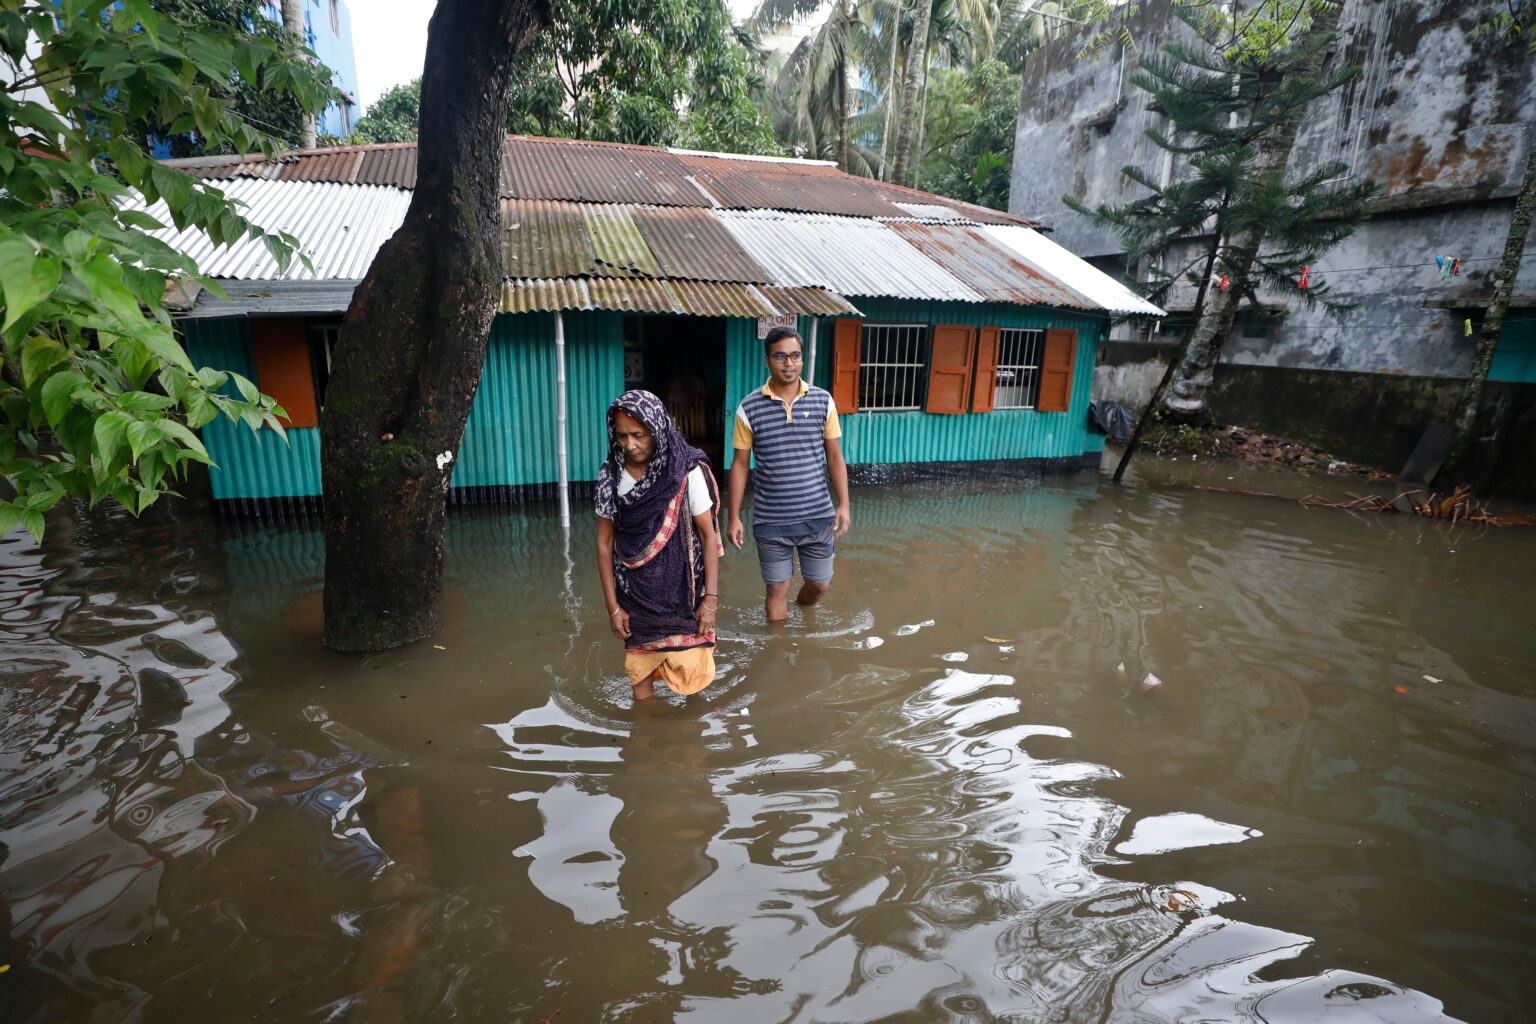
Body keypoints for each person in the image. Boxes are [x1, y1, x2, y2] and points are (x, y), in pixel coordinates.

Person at [595, 390, 722, 702]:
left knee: (693, 674)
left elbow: (707, 535)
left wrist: (711, 600)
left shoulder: (685, 470)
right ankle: (645, 741)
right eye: (622, 436)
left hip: (683, 593)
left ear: (658, 429)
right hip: (635, 594)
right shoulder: (610, 474)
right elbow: (603, 543)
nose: (630, 444)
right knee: (640, 677)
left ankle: (690, 743)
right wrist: (613, 608)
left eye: (639, 435)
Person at [726, 327, 851, 622]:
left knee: (819, 585)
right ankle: (778, 652)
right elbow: (741, 465)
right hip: (771, 519)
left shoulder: (823, 400)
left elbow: (834, 456)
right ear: (767, 361)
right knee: (776, 590)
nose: (789, 363)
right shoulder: (749, 407)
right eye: (780, 356)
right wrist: (732, 517)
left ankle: (802, 614)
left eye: (795, 355)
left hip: (817, 514)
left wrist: (844, 504)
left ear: (802, 359)